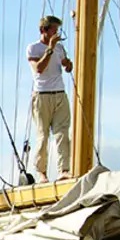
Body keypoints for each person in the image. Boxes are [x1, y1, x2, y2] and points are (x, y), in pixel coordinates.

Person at [27, 15, 75, 182]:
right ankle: (42, 172)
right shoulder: (33, 48)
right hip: (42, 95)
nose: (56, 33)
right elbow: (39, 68)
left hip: (59, 93)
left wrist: (68, 64)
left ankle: (64, 169)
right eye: (54, 29)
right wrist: (50, 48)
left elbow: (65, 66)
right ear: (44, 31)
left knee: (62, 133)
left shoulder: (60, 48)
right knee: (43, 135)